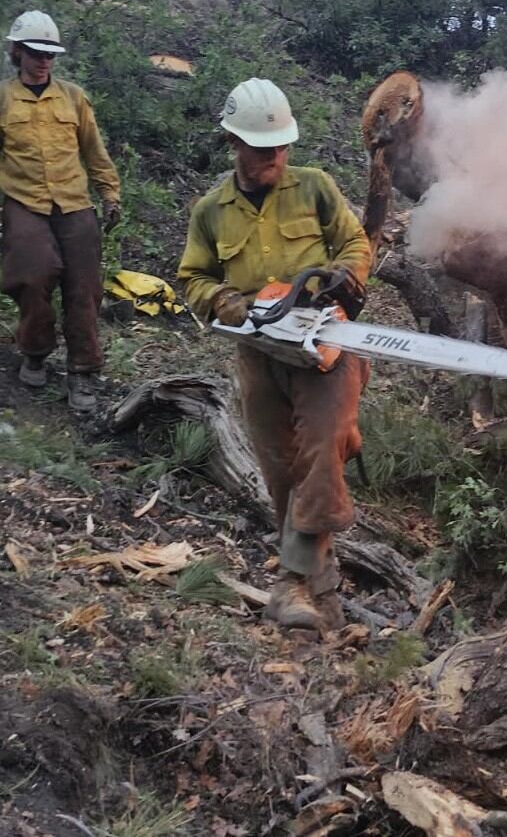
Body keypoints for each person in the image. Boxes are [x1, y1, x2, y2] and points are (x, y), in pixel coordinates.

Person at [178, 78, 371, 632]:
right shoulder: (211, 211)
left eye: (281, 147)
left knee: (323, 448)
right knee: (282, 469)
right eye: (262, 149)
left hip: (323, 340)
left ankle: (289, 582)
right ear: (234, 143)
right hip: (259, 350)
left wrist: (343, 274)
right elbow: (193, 276)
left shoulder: (314, 188)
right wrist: (224, 300)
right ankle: (322, 592)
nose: (274, 158)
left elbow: (355, 242)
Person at [0, 10, 120, 411]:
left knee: (84, 286)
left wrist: (110, 194)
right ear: (18, 52)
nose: (43, 61)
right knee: (32, 276)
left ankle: (82, 370)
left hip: (73, 202)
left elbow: (94, 151)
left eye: (50, 54)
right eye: (35, 53)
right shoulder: (3, 98)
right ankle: (35, 351)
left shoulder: (73, 97)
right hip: (24, 201)